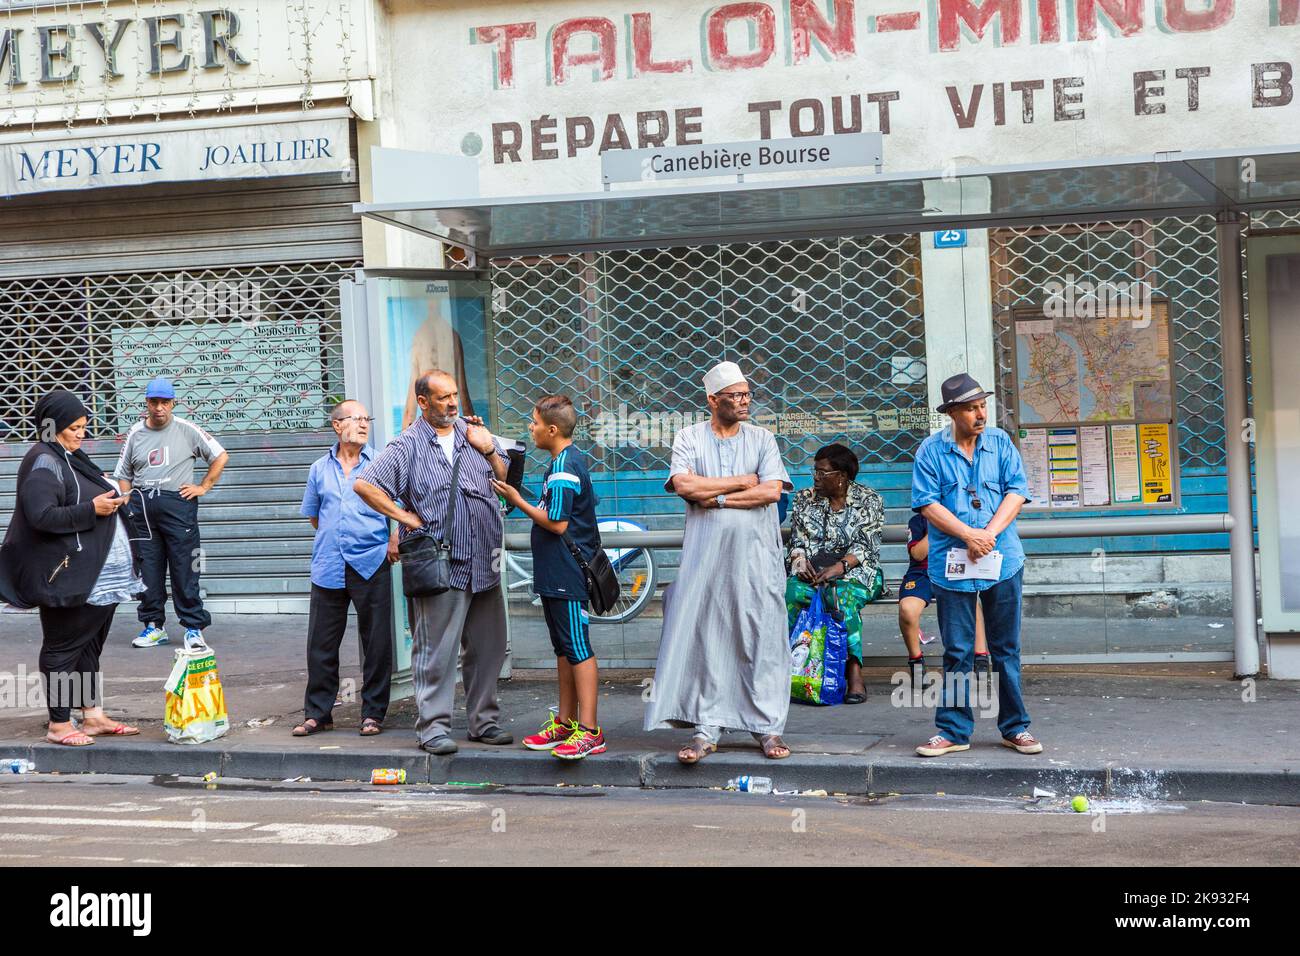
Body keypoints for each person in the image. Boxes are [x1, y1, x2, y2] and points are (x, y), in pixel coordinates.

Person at [354, 369, 513, 755]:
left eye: (455, 394)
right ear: (423, 402)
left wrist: (489, 448)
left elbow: (509, 480)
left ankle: (483, 723)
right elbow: (364, 485)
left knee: (489, 649)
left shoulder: (474, 434)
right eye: (443, 397)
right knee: (436, 652)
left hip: (485, 561)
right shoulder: (406, 445)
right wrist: (405, 518)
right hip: (442, 564)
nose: (453, 403)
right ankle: (433, 729)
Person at [645, 361, 794, 763]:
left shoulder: (762, 438)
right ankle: (706, 728)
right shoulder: (689, 437)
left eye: (747, 395)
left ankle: (766, 727)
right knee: (709, 639)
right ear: (713, 400)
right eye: (735, 396)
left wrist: (720, 499)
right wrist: (741, 481)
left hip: (756, 561)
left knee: (760, 637)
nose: (745, 401)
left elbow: (772, 492)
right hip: (706, 561)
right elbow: (684, 485)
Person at [0, 390, 142, 746]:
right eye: (74, 427)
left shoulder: (68, 457)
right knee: (62, 649)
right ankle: (59, 724)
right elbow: (41, 515)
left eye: (83, 427)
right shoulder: (44, 461)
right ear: (53, 427)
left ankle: (91, 715)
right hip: (66, 577)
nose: (81, 434)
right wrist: (91, 509)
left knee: (88, 647)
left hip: (97, 579)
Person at [911, 373, 1041, 758]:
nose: (980, 413)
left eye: (982, 405)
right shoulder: (930, 451)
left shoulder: (1000, 442)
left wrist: (988, 534)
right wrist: (969, 536)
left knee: (1006, 648)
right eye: (971, 408)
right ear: (952, 413)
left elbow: (1017, 491)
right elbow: (927, 503)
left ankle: (1015, 727)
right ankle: (953, 730)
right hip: (952, 563)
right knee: (957, 650)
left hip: (1003, 559)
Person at [491, 394, 605, 760]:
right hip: (555, 572)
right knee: (563, 647)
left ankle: (589, 730)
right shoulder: (561, 463)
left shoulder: (564, 468)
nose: (530, 427)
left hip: (568, 573)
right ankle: (566, 722)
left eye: (534, 422)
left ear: (552, 429)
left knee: (577, 647)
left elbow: (557, 522)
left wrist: (515, 498)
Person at [293, 401, 399, 738]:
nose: (364, 423)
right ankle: (318, 714)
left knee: (377, 643)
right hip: (329, 563)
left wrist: (394, 537)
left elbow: (403, 505)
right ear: (337, 426)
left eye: (368, 418)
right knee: (321, 645)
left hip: (371, 561)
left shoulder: (382, 463)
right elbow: (315, 516)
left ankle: (373, 713)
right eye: (356, 418)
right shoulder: (318, 469)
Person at [114, 376, 228, 650]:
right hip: (143, 510)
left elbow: (220, 456)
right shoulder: (135, 433)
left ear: (173, 402)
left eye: (165, 402)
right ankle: (154, 626)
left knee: (185, 568)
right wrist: (129, 502)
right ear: (147, 403)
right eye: (154, 402)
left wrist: (203, 486)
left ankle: (192, 627)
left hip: (178, 507)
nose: (159, 408)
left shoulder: (187, 429)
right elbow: (123, 474)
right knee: (148, 570)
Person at [786, 443, 886, 705]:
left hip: (857, 573)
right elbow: (797, 542)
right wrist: (800, 564)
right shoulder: (804, 499)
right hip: (814, 573)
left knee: (840, 597)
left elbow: (867, 546)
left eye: (822, 472)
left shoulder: (869, 500)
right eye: (814, 472)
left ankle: (853, 670)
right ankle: (787, 666)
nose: (815, 478)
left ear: (841, 476)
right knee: (791, 593)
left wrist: (840, 567)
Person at [900, 513, 989, 687]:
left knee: (972, 604)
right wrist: (938, 524)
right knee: (907, 610)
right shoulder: (918, 521)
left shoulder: (964, 516)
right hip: (922, 573)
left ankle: (980, 657)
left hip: (953, 569)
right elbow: (917, 554)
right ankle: (916, 662)